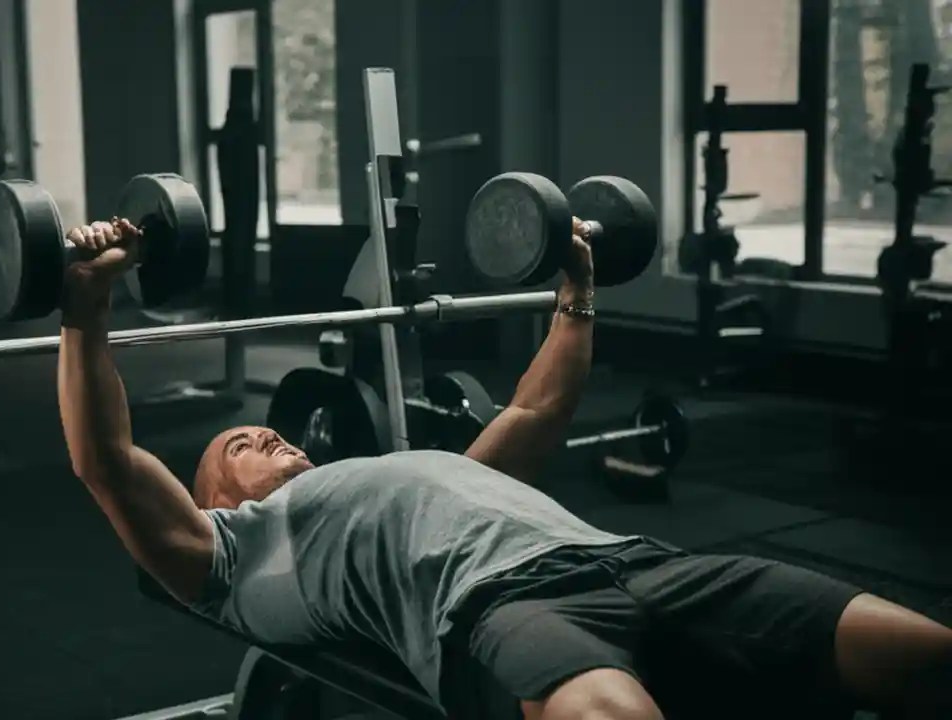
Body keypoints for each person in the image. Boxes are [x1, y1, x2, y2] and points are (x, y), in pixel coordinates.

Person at [57, 217, 951, 720]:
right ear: (210, 503)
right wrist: (85, 310)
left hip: (642, 564)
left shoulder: (422, 468)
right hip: (502, 608)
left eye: (267, 433)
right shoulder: (223, 559)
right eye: (240, 446)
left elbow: (534, 411)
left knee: (922, 655)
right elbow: (107, 460)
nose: (270, 437)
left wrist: (577, 286)